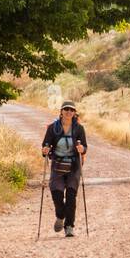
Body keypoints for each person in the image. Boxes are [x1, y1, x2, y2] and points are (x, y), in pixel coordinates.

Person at [41, 101, 87, 238]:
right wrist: (45, 150)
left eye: (71, 110)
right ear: (61, 111)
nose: (69, 112)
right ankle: (60, 216)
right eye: (66, 109)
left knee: (71, 197)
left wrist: (82, 149)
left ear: (74, 113)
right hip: (57, 164)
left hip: (74, 166)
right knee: (57, 194)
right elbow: (45, 145)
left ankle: (69, 227)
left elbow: (84, 146)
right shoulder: (52, 128)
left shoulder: (79, 128)